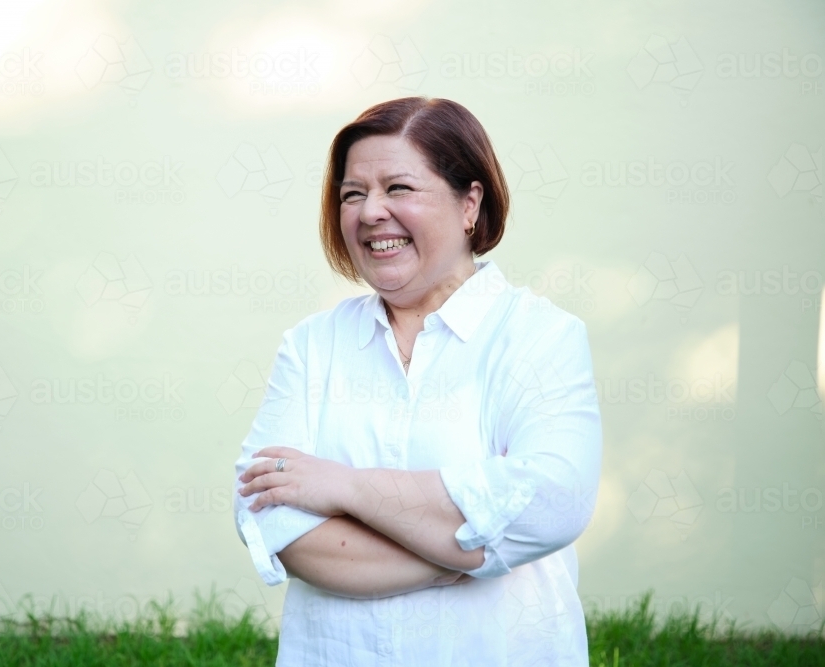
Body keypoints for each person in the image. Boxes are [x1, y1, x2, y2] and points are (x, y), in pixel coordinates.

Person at [233, 96, 602, 666]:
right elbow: (271, 514)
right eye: (352, 194)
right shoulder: (311, 346)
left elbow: (553, 501)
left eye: (398, 188)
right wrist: (464, 550)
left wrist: (344, 488)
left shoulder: (541, 338)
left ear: (469, 204)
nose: (370, 211)